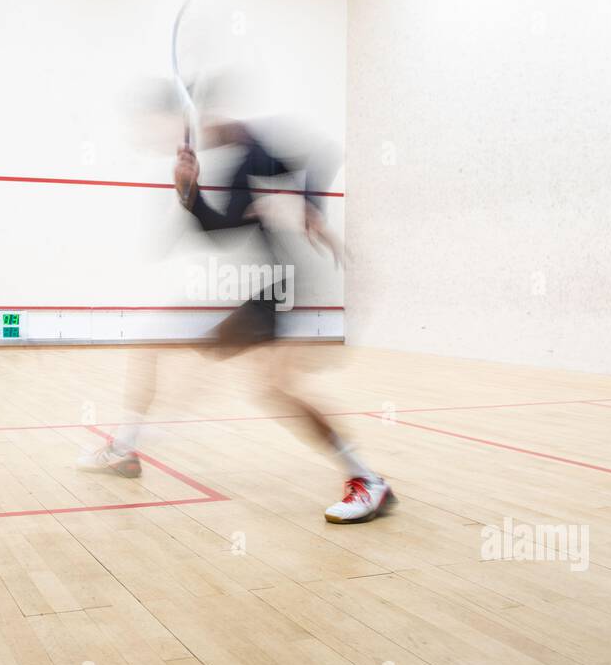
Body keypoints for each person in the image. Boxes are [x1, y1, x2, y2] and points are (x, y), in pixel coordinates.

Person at [78, 108, 394, 524]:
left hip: (272, 289)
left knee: (272, 388)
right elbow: (220, 227)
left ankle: (367, 479)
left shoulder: (257, 148)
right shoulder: (238, 165)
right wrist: (187, 192)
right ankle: (124, 449)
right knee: (165, 346)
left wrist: (312, 208)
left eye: (207, 121)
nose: (204, 130)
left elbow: (323, 154)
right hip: (250, 291)